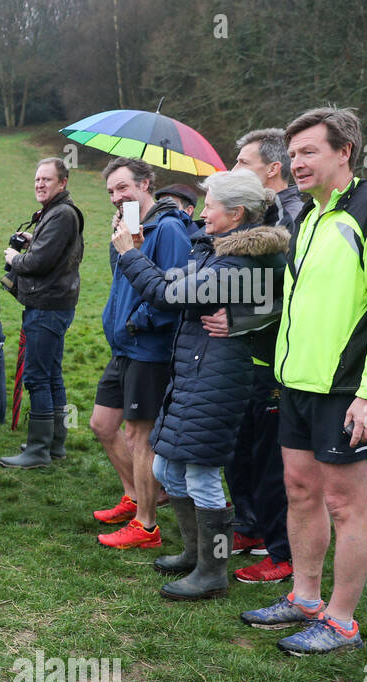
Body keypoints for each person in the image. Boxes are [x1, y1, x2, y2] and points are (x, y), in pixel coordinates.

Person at [242, 108, 367, 654]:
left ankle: (341, 622)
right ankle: (305, 597)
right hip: (295, 382)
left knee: (347, 503)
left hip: (347, 388)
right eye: (292, 154)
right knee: (299, 492)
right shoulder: (306, 218)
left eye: (309, 151)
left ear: (345, 152)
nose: (296, 163)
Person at [114, 169, 289, 599]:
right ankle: (196, 553)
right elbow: (177, 284)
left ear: (237, 213)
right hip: (195, 371)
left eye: (209, 205)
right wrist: (143, 255)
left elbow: (167, 296)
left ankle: (213, 571)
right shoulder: (216, 249)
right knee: (166, 467)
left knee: (202, 474)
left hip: (222, 376)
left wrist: (129, 255)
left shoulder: (244, 260)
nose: (201, 212)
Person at [90, 157, 194, 548]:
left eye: (123, 188)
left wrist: (139, 322)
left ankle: (146, 525)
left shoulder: (168, 229)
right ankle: (135, 495)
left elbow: (174, 291)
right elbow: (124, 281)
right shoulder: (133, 226)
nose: (117, 197)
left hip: (149, 347)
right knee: (102, 424)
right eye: (112, 192)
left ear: (146, 184)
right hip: (124, 347)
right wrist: (120, 243)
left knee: (139, 435)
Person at [227, 127, 306, 584]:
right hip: (250, 355)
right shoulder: (262, 212)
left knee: (273, 460)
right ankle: (250, 528)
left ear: (271, 169)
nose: (235, 169)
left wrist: (237, 320)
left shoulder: (293, 216)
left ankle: (282, 553)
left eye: (242, 162)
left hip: (280, 358)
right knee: (244, 450)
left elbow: (287, 292)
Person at [0, 157, 85, 468]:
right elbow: (55, 253)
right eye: (37, 179)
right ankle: (54, 444)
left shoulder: (62, 214)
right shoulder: (58, 212)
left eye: (47, 180)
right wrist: (35, 240)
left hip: (47, 306)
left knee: (37, 378)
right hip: (55, 304)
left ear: (62, 183)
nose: (40, 184)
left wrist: (14, 257)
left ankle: (37, 450)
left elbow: (38, 263)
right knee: (52, 375)